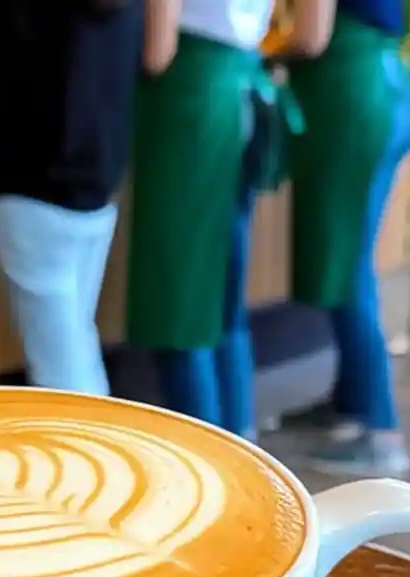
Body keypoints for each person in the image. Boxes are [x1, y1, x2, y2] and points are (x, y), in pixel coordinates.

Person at [0, 0, 142, 396]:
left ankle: (96, 455)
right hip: (96, 166)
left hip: (29, 172)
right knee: (75, 348)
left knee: (62, 376)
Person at [126, 0, 298, 439]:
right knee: (223, 297)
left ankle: (208, 455)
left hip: (190, 97)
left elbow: (157, 51)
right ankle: (240, 439)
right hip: (241, 86)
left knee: (179, 302)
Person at [278, 0, 410, 477]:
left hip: (350, 95)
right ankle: (350, 404)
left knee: (348, 266)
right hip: (386, 83)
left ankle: (381, 432)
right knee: (348, 257)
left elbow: (309, 37)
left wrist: (259, 53)